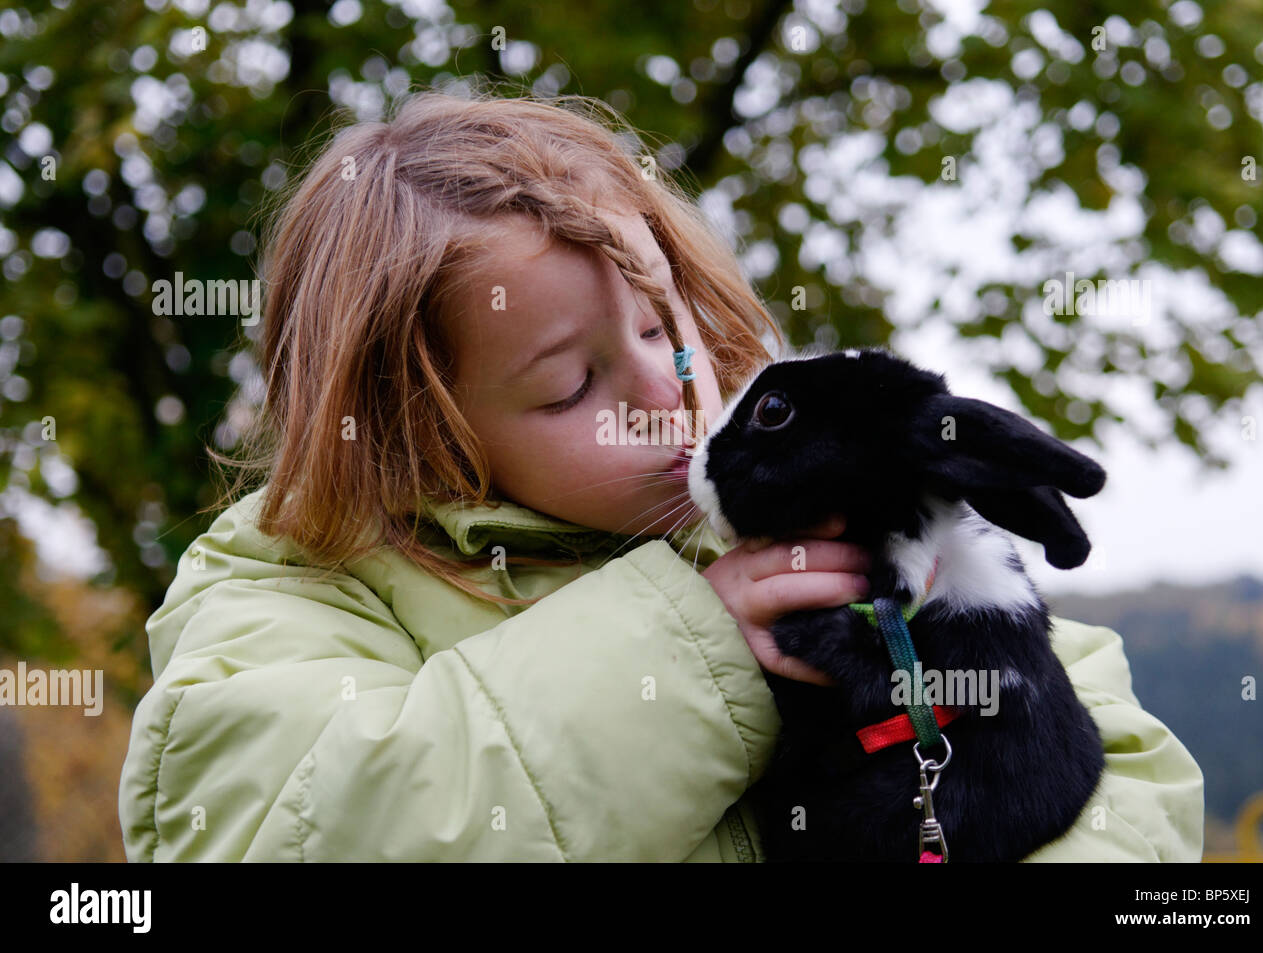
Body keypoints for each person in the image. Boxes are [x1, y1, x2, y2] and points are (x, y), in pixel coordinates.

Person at [118, 89, 1203, 862]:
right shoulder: (295, 583)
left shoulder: (787, 489)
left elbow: (1122, 762)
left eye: (660, 327)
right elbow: (297, 828)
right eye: (567, 384)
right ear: (423, 431)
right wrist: (692, 647)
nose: (666, 392)